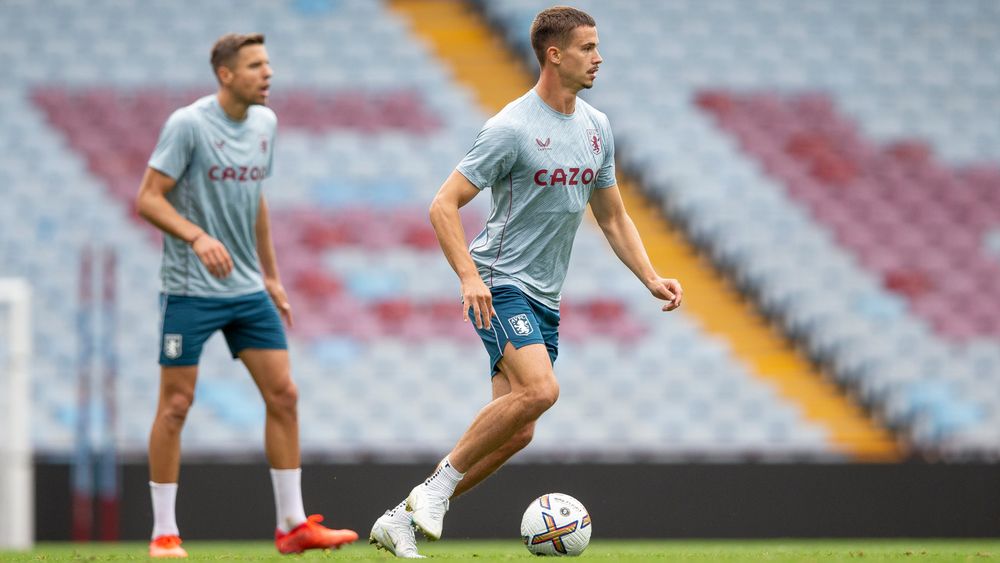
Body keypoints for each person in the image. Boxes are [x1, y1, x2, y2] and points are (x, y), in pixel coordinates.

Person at [368, 6, 682, 558]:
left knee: (518, 429)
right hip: (499, 279)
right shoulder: (511, 128)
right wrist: (469, 277)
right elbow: (443, 206)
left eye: (597, 46)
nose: (599, 57)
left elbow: (611, 215)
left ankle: (400, 521)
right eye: (587, 48)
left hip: (544, 294)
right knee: (542, 390)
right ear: (555, 55)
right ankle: (434, 490)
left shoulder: (596, 127)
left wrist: (650, 276)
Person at [136, 33, 358, 558]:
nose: (268, 73)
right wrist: (196, 235)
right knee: (176, 404)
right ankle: (164, 533)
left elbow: (255, 199)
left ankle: (292, 525)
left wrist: (272, 276)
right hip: (189, 290)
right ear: (225, 75)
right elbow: (147, 198)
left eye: (268, 64)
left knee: (284, 395)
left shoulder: (266, 124)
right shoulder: (187, 125)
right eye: (256, 65)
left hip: (245, 288)